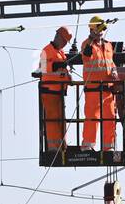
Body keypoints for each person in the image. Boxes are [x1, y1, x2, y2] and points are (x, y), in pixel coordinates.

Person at [79, 16, 119, 152]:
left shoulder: (108, 45)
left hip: (108, 90)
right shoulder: (86, 44)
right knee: (92, 117)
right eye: (98, 29)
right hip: (93, 89)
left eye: (102, 29)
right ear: (92, 29)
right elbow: (86, 55)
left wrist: (114, 71)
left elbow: (111, 63)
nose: (101, 32)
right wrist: (92, 38)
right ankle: (88, 146)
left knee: (110, 118)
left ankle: (109, 147)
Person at [37, 27, 73, 154]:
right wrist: (58, 66)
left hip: (59, 91)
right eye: (64, 40)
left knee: (60, 120)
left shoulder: (60, 52)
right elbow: (44, 68)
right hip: (49, 90)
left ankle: (61, 144)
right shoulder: (47, 50)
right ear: (58, 36)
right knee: (52, 120)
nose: (64, 43)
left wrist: (68, 78)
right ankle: (53, 147)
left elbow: (63, 71)